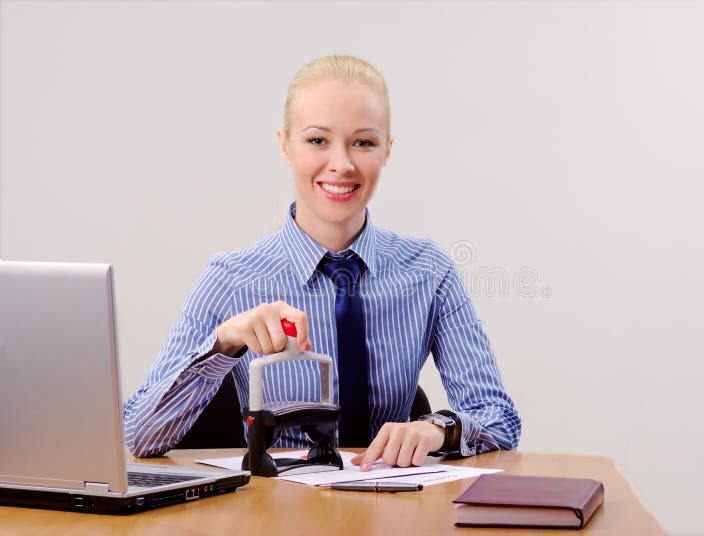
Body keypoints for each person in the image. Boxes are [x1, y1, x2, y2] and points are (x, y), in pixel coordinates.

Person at [123, 55, 521, 471]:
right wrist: (222, 344)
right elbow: (140, 435)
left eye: (363, 143)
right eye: (317, 141)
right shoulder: (231, 279)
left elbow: (499, 418)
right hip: (277, 502)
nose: (342, 164)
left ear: (387, 149)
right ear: (285, 146)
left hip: (393, 500)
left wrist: (438, 429)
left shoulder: (429, 272)